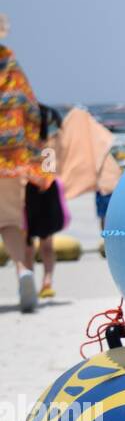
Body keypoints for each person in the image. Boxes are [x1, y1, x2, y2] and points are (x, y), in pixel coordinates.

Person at [0, 25, 42, 313]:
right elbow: (30, 109)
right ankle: (22, 271)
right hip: (9, 159)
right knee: (9, 224)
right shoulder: (9, 63)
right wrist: (33, 156)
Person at [23, 105, 68, 299]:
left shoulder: (31, 143)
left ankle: (36, 281)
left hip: (32, 193)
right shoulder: (50, 141)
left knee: (29, 244)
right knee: (43, 244)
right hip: (45, 193)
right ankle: (43, 282)